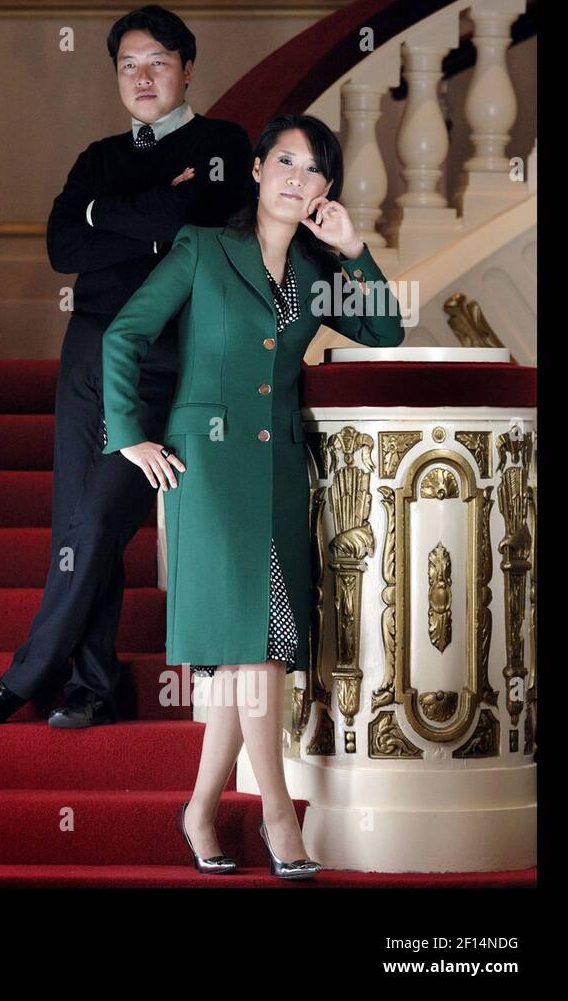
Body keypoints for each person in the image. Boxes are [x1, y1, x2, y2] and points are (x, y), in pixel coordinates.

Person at [101, 113, 405, 878]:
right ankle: (275, 813)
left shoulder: (313, 273)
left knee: (254, 646)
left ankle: (201, 809)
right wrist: (127, 434)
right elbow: (123, 335)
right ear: (259, 169)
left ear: (323, 192)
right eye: (285, 161)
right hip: (206, 469)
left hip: (275, 474)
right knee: (256, 646)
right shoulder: (204, 249)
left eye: (313, 171)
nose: (296, 178)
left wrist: (354, 251)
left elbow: (387, 330)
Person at [0, 5, 251, 728]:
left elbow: (193, 234)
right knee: (76, 523)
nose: (143, 76)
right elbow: (65, 248)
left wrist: (107, 216)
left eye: (157, 61)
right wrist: (149, 208)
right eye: (128, 65)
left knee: (98, 517)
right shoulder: (97, 155)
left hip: (165, 355)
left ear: (188, 67)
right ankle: (95, 685)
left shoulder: (221, 145)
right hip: (89, 348)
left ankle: (28, 674)